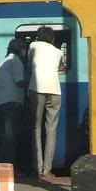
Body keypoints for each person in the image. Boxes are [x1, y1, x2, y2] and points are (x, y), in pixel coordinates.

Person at [26, 26, 64, 179]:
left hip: (37, 87)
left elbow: (29, 65)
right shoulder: (59, 52)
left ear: (38, 37)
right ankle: (47, 170)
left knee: (36, 127)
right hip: (55, 90)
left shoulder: (33, 46)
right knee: (51, 130)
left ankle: (37, 166)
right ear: (52, 38)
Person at [0, 39, 28, 166]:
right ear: (22, 50)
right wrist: (30, 83)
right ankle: (8, 167)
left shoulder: (3, 60)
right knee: (11, 138)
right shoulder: (16, 61)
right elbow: (19, 81)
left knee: (5, 137)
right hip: (12, 102)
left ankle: (2, 165)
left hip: (0, 102)